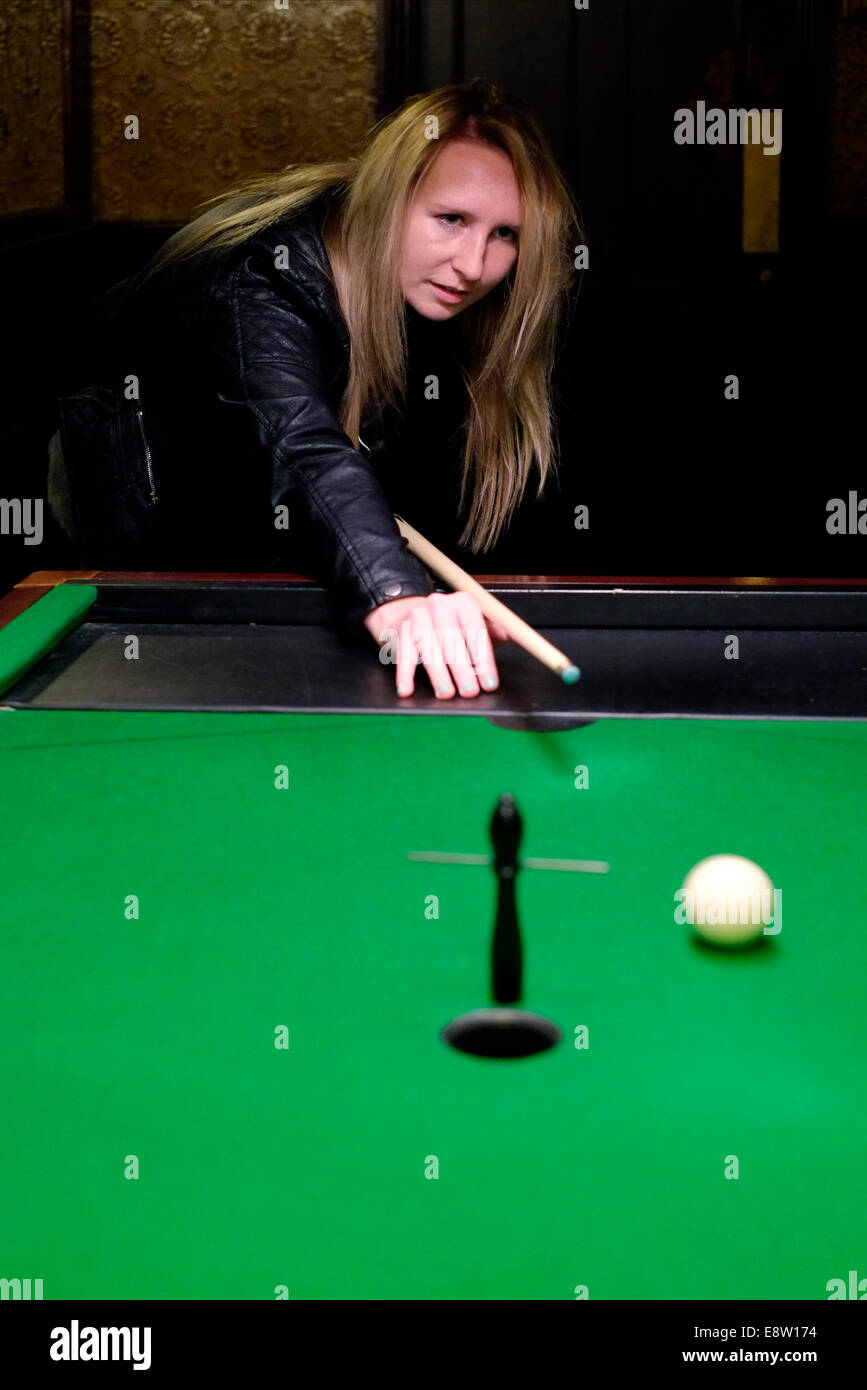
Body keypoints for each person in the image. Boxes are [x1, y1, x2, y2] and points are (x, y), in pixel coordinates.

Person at [50, 79, 580, 700]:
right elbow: (304, 446)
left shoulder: (413, 278)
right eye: (452, 219)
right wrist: (398, 595)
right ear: (387, 198)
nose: (473, 264)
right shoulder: (257, 279)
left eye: (505, 235)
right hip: (136, 495)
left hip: (243, 495)